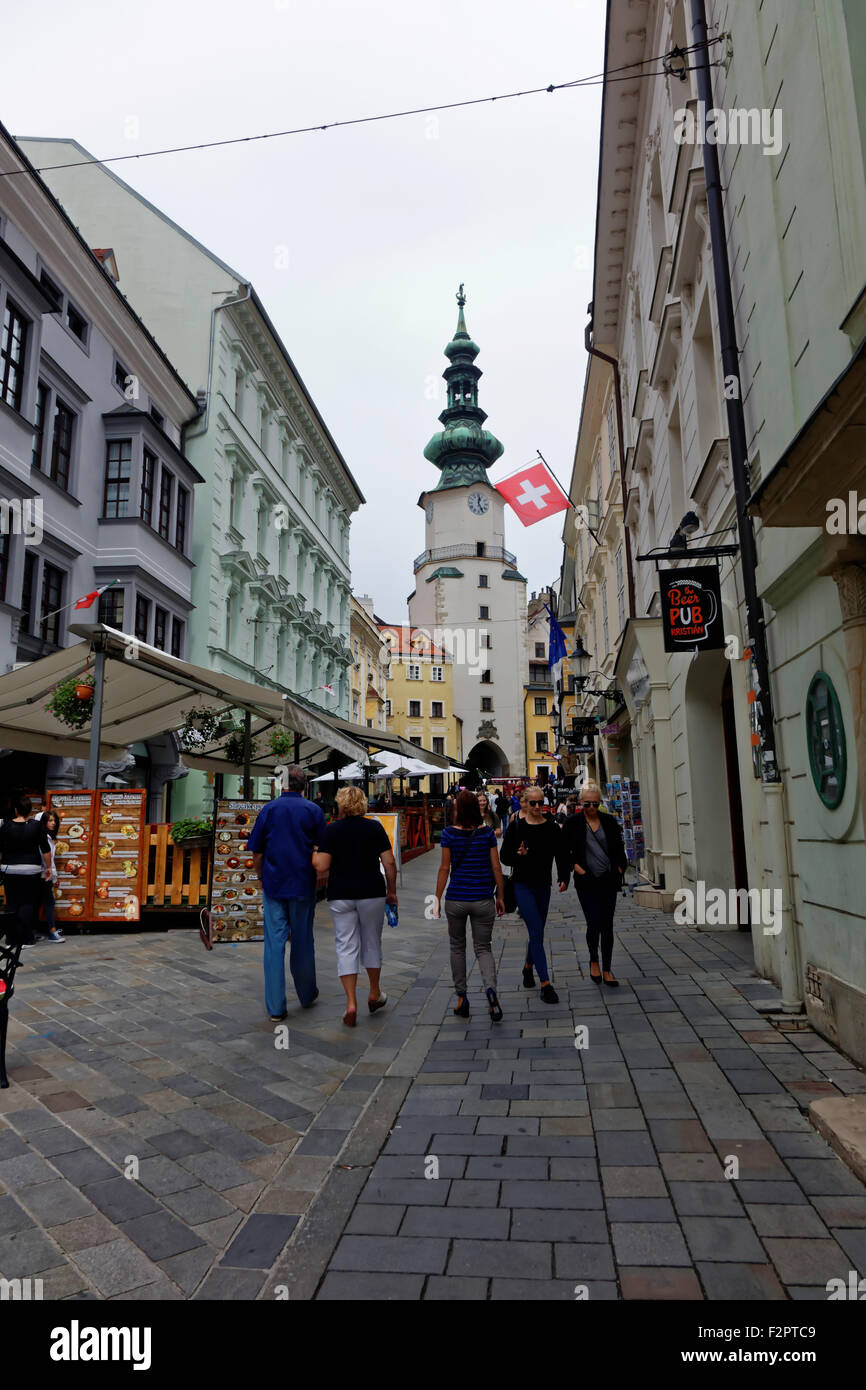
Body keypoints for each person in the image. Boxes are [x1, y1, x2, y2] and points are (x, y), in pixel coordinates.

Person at [313, 786, 396, 1027]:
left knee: (346, 945)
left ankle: (351, 1003)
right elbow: (389, 863)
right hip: (372, 892)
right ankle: (374, 992)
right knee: (371, 942)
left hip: (341, 894)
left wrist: (313, 852)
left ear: (340, 804)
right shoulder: (374, 827)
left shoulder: (332, 831)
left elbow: (321, 867)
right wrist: (392, 892)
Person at [248, 765, 326, 1020]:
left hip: (273, 883)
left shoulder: (268, 809)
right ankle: (306, 993)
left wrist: (260, 876)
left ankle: (276, 1007)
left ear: (283, 784)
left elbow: (257, 852)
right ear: (304, 786)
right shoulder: (313, 810)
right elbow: (324, 850)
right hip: (303, 884)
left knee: (274, 944)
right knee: (303, 941)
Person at [434, 789, 505, 1021]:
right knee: (483, 948)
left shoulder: (448, 834)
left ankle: (462, 998)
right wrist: (500, 896)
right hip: (483, 899)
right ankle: (491, 992)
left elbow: (444, 868)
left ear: (457, 810)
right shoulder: (486, 834)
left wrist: (436, 898)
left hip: (456, 899)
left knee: (457, 947)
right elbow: (496, 867)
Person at [500, 788, 570, 1003]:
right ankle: (546, 984)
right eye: (533, 803)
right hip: (522, 885)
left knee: (537, 931)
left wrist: (564, 875)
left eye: (541, 803)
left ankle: (528, 967)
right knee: (536, 931)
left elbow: (561, 851)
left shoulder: (550, 827)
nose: (538, 807)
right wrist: (517, 854)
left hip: (543, 885)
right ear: (525, 804)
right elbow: (504, 857)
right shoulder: (516, 827)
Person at [562, 783, 628, 987]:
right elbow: (564, 850)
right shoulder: (573, 823)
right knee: (593, 922)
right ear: (581, 802)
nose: (591, 807)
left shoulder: (608, 821)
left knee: (607, 924)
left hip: (608, 879)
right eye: (587, 803)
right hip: (586, 880)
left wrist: (619, 868)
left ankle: (607, 969)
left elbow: (618, 847)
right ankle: (593, 960)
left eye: (595, 804)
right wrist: (576, 869)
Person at [0, 795, 52, 947]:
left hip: (10, 868)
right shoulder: (36, 826)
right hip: (31, 868)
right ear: (30, 810)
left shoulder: (6, 826)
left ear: (16, 810)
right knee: (27, 903)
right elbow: (45, 849)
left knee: (11, 903)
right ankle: (26, 939)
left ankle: (11, 939)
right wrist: (48, 867)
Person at [39, 809, 65, 943]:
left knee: (43, 902)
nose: (53, 823)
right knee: (49, 902)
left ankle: (35, 931)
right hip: (43, 874)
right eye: (50, 820)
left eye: (54, 820)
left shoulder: (49, 836)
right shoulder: (43, 837)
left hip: (46, 874)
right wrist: (51, 872)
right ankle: (52, 932)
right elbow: (45, 857)